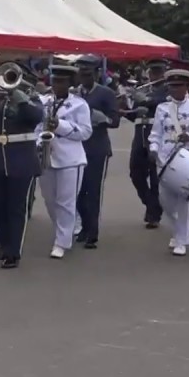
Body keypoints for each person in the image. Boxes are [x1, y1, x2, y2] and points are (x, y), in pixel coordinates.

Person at [0, 70, 44, 268]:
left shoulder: (32, 99)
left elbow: (36, 116)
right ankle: (5, 243)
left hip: (22, 160)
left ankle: (13, 252)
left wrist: (19, 98)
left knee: (16, 208)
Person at [148, 69, 189, 256]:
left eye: (179, 86)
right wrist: (153, 149)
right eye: (172, 86)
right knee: (164, 199)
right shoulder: (162, 108)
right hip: (166, 157)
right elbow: (156, 134)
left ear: (187, 87)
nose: (175, 89)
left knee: (185, 200)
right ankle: (179, 230)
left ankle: (182, 240)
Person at [35, 65, 92, 259]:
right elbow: (35, 127)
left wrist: (60, 126)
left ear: (70, 84)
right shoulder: (43, 101)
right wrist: (37, 142)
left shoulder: (79, 104)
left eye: (61, 81)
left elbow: (85, 132)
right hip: (46, 155)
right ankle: (70, 224)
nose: (57, 84)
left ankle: (62, 242)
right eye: (55, 80)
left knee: (65, 202)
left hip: (71, 159)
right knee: (50, 201)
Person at [73, 56, 121, 249]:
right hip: (76, 147)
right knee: (77, 191)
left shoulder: (105, 94)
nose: (84, 77)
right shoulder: (74, 95)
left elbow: (115, 120)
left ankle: (92, 232)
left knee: (92, 191)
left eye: (88, 74)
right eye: (81, 74)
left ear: (96, 73)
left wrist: (104, 119)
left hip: (96, 148)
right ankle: (84, 227)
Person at [124, 59, 169, 228]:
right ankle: (152, 205)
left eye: (158, 72)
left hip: (157, 136)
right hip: (140, 135)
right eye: (152, 72)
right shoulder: (144, 89)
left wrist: (144, 101)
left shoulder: (167, 90)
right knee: (135, 173)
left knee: (156, 176)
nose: (155, 75)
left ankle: (153, 214)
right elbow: (135, 114)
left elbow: (160, 103)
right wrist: (124, 109)